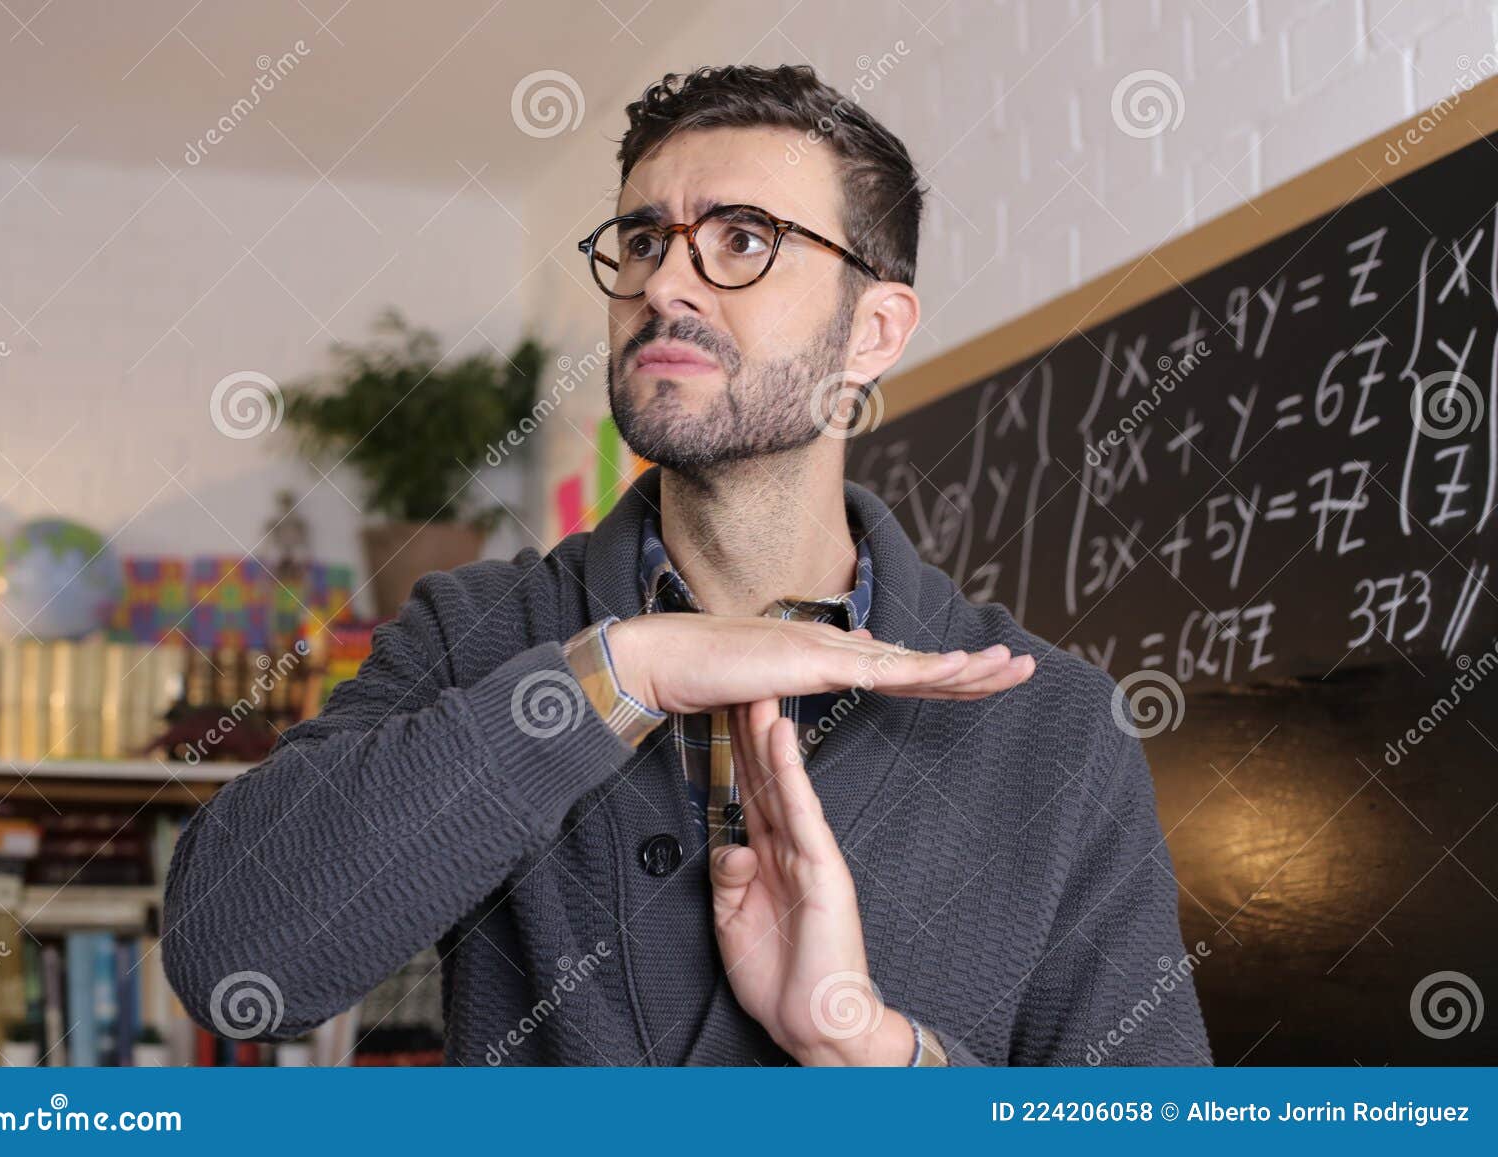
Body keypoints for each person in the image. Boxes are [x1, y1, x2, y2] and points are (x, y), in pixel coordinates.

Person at [164, 63, 1211, 1066]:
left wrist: (871, 1051)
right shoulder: (477, 633)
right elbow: (231, 958)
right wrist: (623, 673)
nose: (665, 281)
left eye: (743, 239)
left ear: (873, 331)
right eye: (639, 239)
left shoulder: (1052, 726)